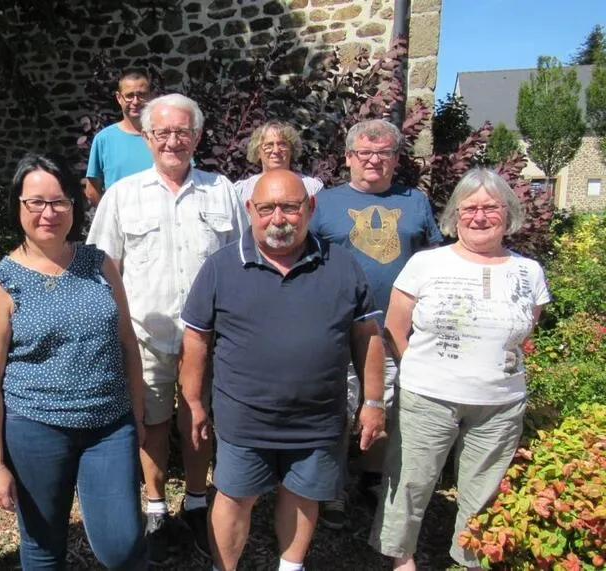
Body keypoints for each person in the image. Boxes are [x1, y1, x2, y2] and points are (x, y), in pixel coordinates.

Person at [180, 169, 386, 571]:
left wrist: (373, 400)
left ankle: (291, 566)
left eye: (290, 207)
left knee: (302, 493)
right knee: (234, 496)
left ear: (309, 208)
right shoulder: (221, 267)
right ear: (249, 210)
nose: (279, 218)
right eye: (267, 208)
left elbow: (368, 336)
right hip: (245, 417)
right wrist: (192, 400)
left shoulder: (342, 266)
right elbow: (196, 339)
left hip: (317, 418)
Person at [87, 93, 246, 560]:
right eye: (162, 133)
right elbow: (104, 267)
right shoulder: (123, 195)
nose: (172, 141)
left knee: (199, 422)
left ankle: (196, 502)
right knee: (151, 422)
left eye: (182, 132)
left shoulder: (223, 192)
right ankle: (156, 507)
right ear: (149, 138)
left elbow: (240, 262)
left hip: (209, 338)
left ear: (196, 137)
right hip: (144, 335)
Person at [0, 154, 147, 570]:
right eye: (36, 202)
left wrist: (137, 417)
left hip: (109, 426)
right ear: (18, 206)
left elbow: (128, 345)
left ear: (73, 205)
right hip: (36, 429)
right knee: (43, 544)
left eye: (59, 201)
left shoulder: (98, 264)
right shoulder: (1, 282)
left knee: (122, 545)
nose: (48, 213)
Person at [370, 168, 550, 571]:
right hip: (428, 396)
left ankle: (470, 559)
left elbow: (522, 329)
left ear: (509, 214)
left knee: (482, 490)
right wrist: (422, 371)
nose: (480, 216)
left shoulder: (530, 272)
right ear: (455, 214)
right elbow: (395, 329)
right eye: (470, 208)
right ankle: (401, 558)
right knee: (410, 483)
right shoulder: (426, 263)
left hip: (499, 403)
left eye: (491, 208)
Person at [309, 118, 443, 529]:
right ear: (348, 157)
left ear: (396, 158)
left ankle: (370, 479)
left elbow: (434, 259)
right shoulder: (324, 203)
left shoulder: (415, 201)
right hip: (335, 328)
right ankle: (331, 488)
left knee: (382, 406)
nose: (373, 161)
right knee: (336, 409)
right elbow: (304, 259)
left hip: (393, 332)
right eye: (364, 153)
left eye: (383, 153)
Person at [84, 69, 155, 206]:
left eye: (141, 95)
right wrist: (109, 216)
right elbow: (92, 189)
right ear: (118, 98)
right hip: (120, 224)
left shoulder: (164, 136)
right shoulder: (104, 139)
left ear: (150, 97)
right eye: (129, 96)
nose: (135, 101)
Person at [233, 120, 324, 202]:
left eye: (282, 145)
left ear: (291, 150)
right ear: (258, 152)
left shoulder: (312, 188)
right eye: (268, 146)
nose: (276, 150)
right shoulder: (242, 191)